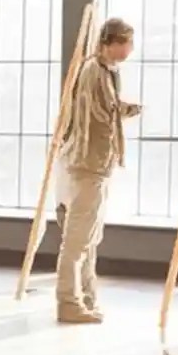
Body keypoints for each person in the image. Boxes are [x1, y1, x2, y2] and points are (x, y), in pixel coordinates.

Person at [52, 18, 141, 324]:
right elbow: (103, 113)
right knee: (78, 239)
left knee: (89, 238)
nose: (130, 49)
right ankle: (69, 300)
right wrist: (126, 110)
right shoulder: (94, 71)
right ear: (111, 43)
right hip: (87, 163)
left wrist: (124, 109)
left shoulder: (103, 71)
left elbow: (107, 109)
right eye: (127, 43)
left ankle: (85, 297)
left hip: (95, 164)